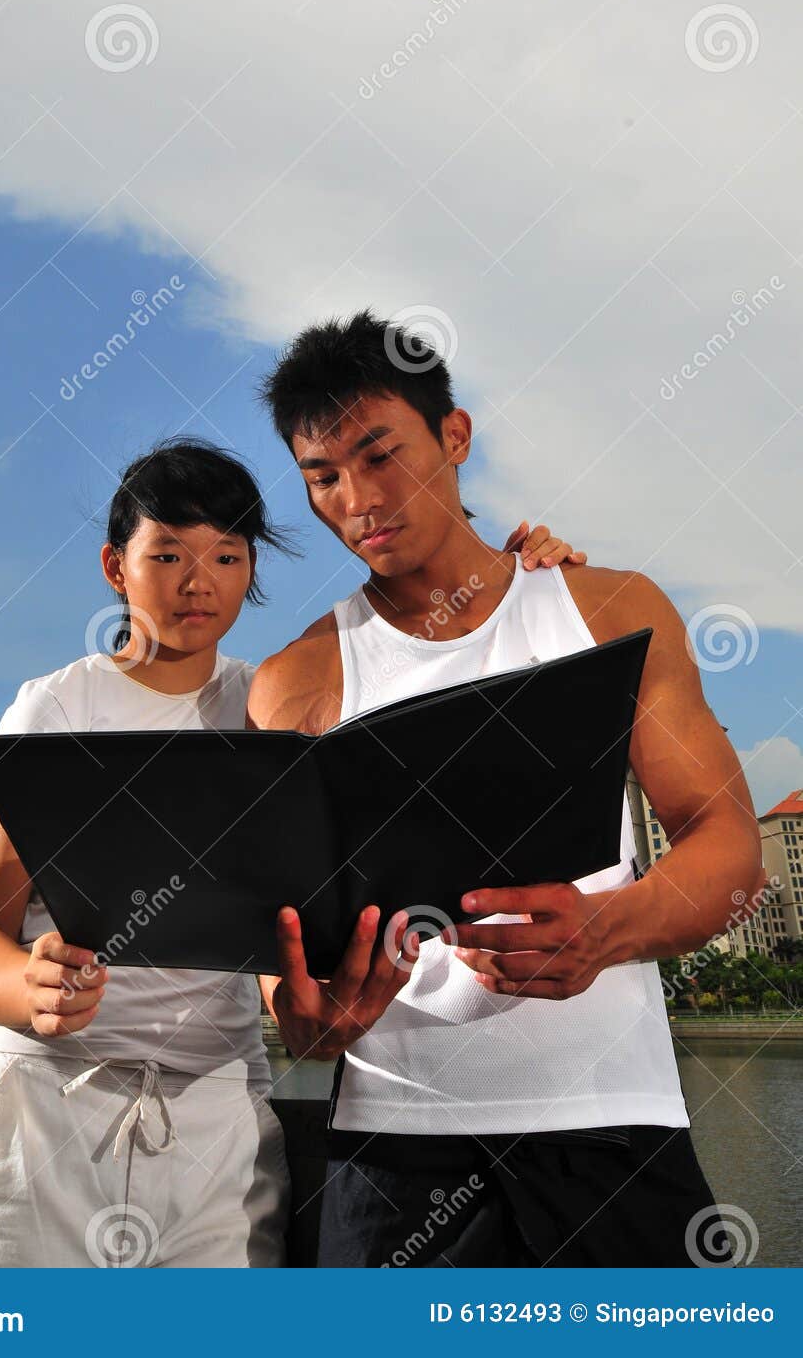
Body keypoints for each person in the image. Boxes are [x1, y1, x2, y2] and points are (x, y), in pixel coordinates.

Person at [0, 434, 580, 1269]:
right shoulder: (54, 708)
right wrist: (25, 987)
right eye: (168, 555)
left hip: (212, 1125)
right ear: (116, 567)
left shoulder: (273, 706)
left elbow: (281, 945)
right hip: (34, 1108)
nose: (199, 582)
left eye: (227, 556)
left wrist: (516, 585)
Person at [248, 308, 764, 1269]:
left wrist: (607, 929)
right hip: (391, 1146)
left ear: (454, 436)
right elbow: (286, 948)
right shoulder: (292, 684)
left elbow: (727, 848)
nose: (357, 497)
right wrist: (304, 1017)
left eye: (379, 454)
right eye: (323, 476)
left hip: (613, 1126)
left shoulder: (607, 609)